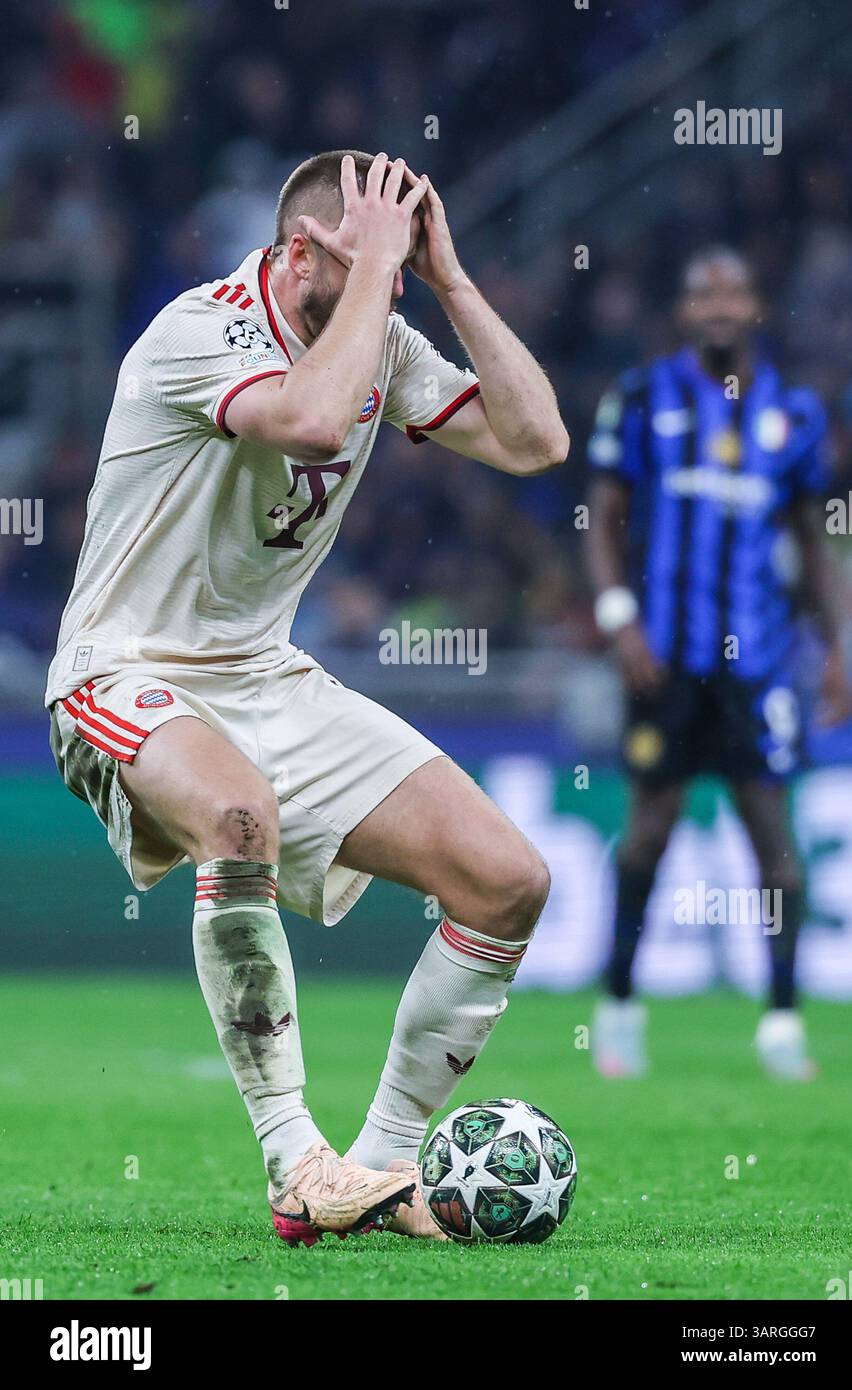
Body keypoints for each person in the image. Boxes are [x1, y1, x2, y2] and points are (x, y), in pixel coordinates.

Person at [46, 150, 569, 1245]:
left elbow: (535, 442)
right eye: (365, 249)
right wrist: (378, 270)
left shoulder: (376, 330)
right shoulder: (201, 328)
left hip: (261, 675)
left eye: (395, 254)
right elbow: (314, 423)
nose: (388, 272)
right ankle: (295, 1158)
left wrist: (449, 283)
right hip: (123, 667)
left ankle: (376, 1167)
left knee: (506, 880)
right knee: (236, 816)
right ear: (296, 255)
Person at [586, 247, 852, 1081]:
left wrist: (839, 648)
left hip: (759, 666)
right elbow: (602, 516)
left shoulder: (796, 414)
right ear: (684, 310)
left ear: (757, 307)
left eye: (734, 291)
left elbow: (812, 543)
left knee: (773, 839)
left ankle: (781, 1021)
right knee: (648, 835)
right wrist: (618, 615)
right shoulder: (642, 397)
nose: (720, 305)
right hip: (662, 659)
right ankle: (621, 1005)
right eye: (704, 292)